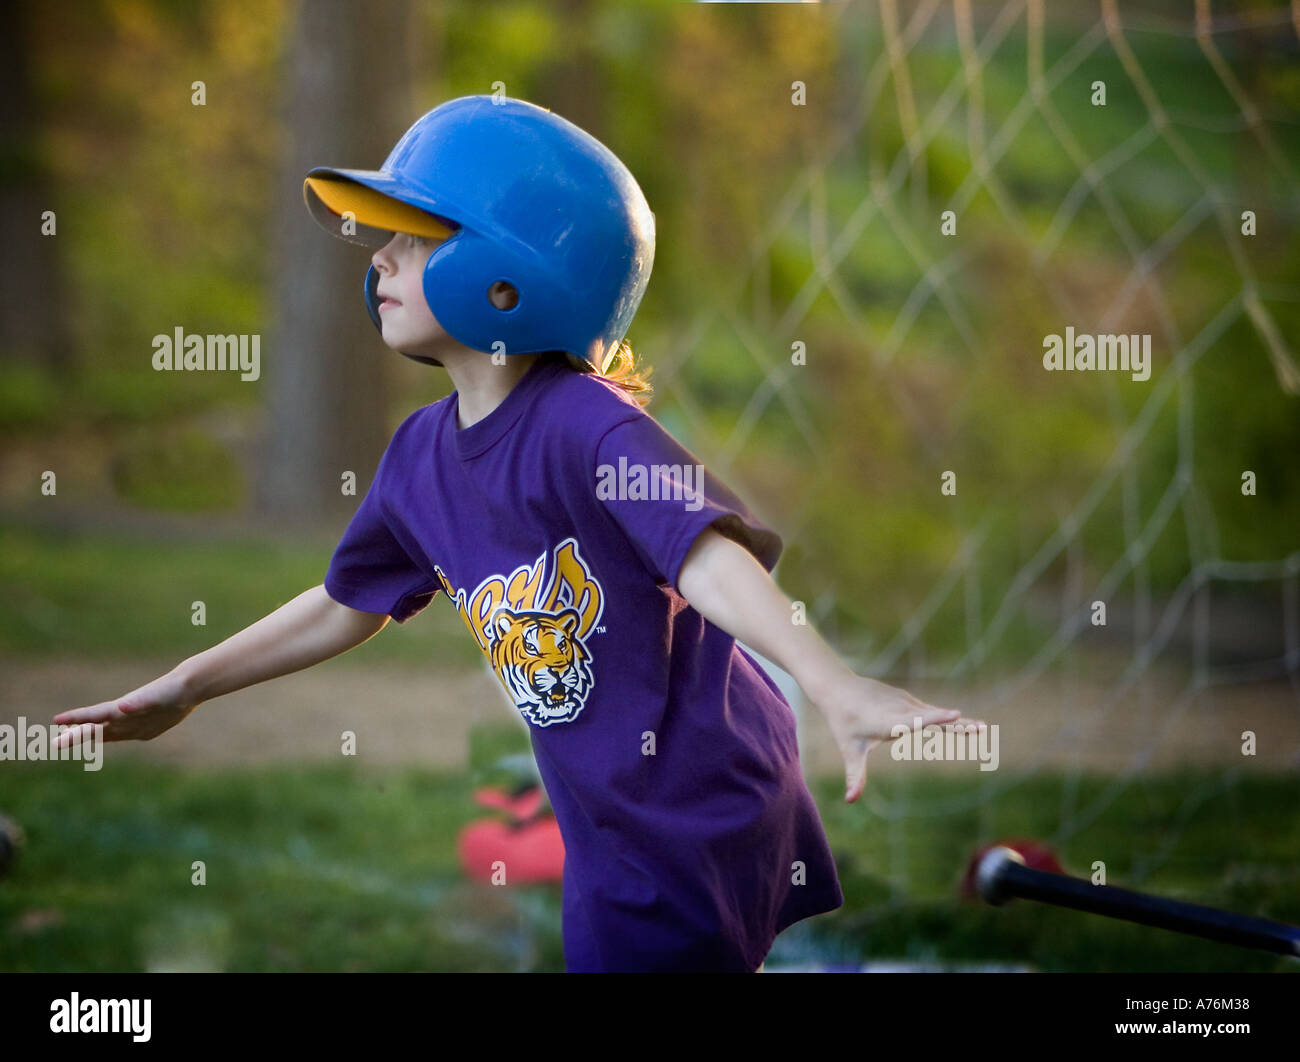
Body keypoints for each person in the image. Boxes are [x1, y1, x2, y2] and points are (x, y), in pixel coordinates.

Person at [54, 96, 985, 973]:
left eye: (412, 241)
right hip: (610, 810)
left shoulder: (588, 427)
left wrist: (831, 682)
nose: (376, 260)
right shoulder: (420, 454)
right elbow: (345, 605)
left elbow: (704, 555)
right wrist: (187, 687)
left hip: (693, 802)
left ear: (505, 276)